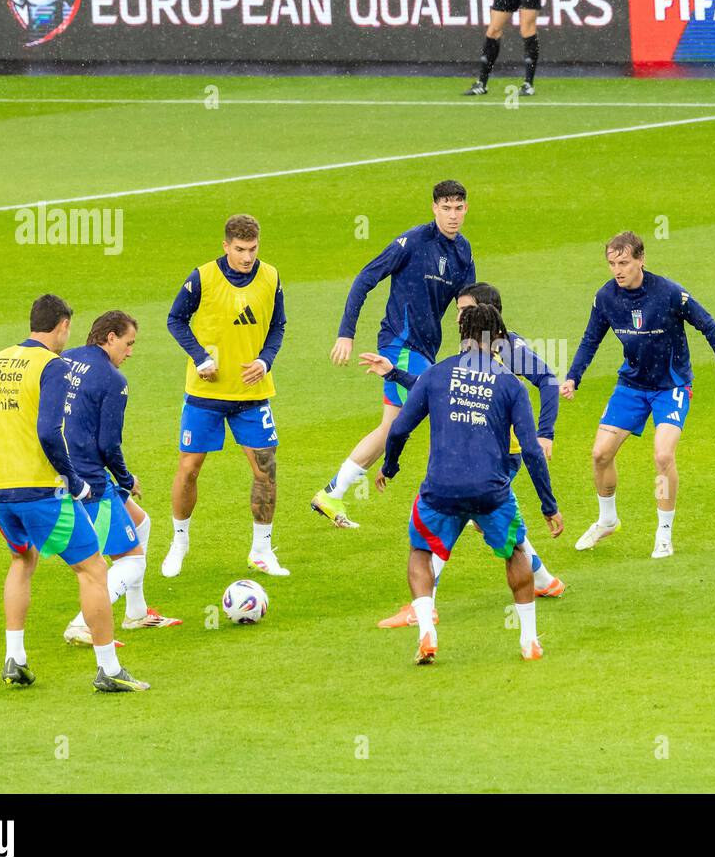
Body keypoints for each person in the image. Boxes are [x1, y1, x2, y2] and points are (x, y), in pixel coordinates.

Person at [0, 294, 150, 692]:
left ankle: (15, 658)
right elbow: (47, 432)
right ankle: (108, 670)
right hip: (41, 490)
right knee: (93, 570)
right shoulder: (51, 366)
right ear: (61, 326)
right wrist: (73, 481)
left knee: (22, 560)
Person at [362, 282, 563, 629]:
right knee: (497, 522)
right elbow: (438, 385)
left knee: (453, 515)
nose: (456, 317)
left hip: (502, 453)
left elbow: (547, 379)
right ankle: (544, 581)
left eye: (463, 311)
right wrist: (393, 373)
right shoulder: (477, 350)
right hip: (488, 451)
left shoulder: (509, 348)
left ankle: (423, 606)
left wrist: (544, 433)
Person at [560, 232, 715, 559]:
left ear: (641, 259)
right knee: (600, 454)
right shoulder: (605, 297)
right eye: (612, 264)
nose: (618, 270)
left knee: (662, 456)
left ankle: (663, 532)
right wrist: (574, 376)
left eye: (624, 263)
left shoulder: (669, 294)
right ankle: (607, 519)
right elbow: (591, 338)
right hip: (631, 386)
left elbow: (708, 325)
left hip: (671, 386)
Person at [314, 180, 475, 529]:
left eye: (458, 208)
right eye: (445, 208)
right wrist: (346, 332)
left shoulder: (464, 253)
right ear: (434, 208)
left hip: (425, 350)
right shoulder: (413, 242)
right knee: (421, 419)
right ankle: (469, 503)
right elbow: (366, 277)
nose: (452, 215)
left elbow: (468, 306)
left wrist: (478, 347)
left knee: (392, 427)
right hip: (400, 345)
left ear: (466, 209)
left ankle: (331, 494)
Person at [163, 214, 287, 578]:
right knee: (189, 469)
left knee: (266, 470)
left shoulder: (271, 276)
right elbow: (175, 320)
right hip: (206, 393)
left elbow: (278, 325)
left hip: (252, 392)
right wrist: (201, 357)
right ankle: (180, 541)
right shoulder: (202, 277)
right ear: (226, 246)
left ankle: (262, 550)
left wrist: (265, 361)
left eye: (252, 249)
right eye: (240, 250)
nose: (247, 257)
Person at [60, 311, 182, 647]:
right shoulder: (113, 381)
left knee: (141, 523)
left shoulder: (65, 359)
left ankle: (137, 613)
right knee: (129, 560)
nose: (130, 352)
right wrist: (126, 479)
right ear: (109, 337)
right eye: (128, 344)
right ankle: (81, 624)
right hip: (89, 480)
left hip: (59, 471)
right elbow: (108, 444)